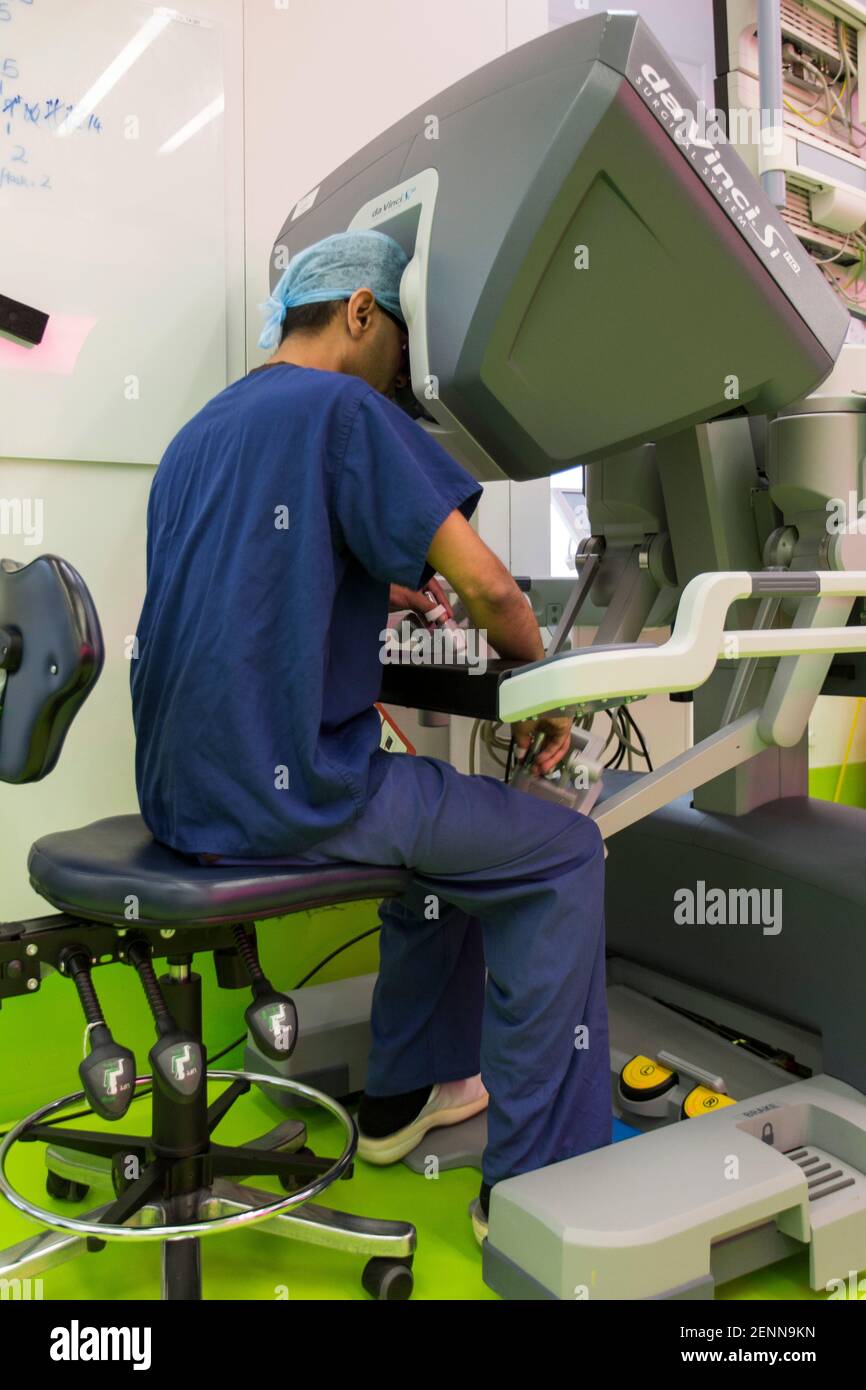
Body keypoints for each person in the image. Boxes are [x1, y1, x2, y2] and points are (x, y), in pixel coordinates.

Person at [131, 229, 609, 1245]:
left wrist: (353, 580)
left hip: (185, 798)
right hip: (286, 802)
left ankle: (403, 1098)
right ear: (357, 312)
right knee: (557, 851)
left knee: (444, 838)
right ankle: (535, 1197)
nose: (402, 374)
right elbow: (486, 586)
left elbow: (241, 593)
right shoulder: (343, 407)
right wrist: (540, 674)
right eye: (398, 342)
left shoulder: (196, 435)